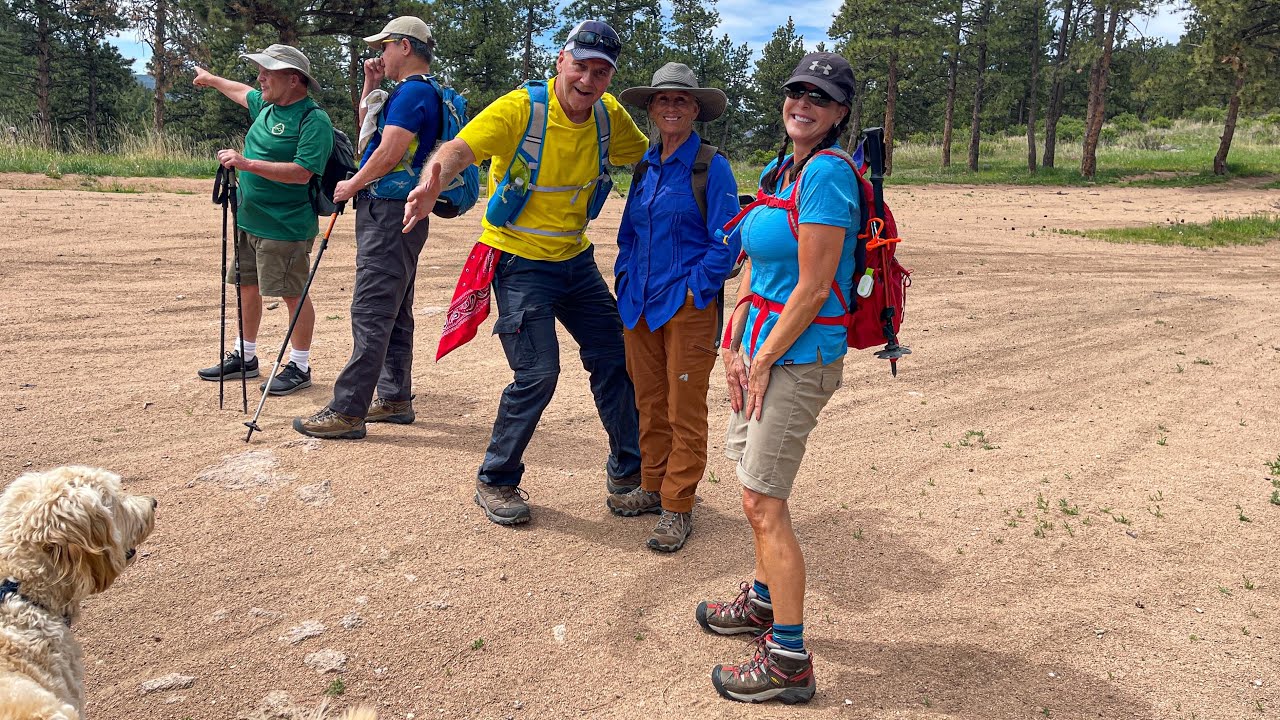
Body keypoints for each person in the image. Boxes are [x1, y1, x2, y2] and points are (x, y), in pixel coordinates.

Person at [401, 20, 649, 526]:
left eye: (601, 72)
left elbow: (651, 156)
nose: (588, 80)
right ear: (561, 60)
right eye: (580, 66)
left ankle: (629, 473)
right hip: (518, 260)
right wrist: (432, 183)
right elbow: (458, 150)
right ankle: (495, 478)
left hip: (575, 259)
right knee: (537, 372)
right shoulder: (522, 109)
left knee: (615, 358)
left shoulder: (609, 117)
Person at [695, 52, 860, 704]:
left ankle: (789, 661)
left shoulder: (827, 175)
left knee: (765, 501)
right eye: (797, 91)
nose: (803, 103)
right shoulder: (779, 170)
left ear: (839, 112)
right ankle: (763, 604)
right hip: (762, 351)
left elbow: (814, 287)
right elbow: (759, 269)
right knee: (752, 490)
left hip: (797, 359)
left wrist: (761, 360)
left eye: (820, 97)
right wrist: (734, 340)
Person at [609, 63, 739, 552]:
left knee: (684, 407)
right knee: (648, 401)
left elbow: (728, 237)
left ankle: (678, 504)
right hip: (639, 305)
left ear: (695, 110)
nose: (670, 107)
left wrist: (695, 288)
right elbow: (629, 233)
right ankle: (652, 483)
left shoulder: (710, 165)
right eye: (662, 99)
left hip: (687, 306)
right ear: (650, 108)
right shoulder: (645, 165)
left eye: (680, 100)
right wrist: (624, 277)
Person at [293, 17, 441, 439]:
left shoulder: (413, 92)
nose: (380, 54)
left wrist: (352, 184)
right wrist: (370, 85)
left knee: (372, 309)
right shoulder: (415, 91)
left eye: (385, 46)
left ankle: (348, 410)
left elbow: (389, 152)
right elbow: (370, 137)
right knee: (395, 310)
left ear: (405, 47)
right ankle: (394, 398)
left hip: (389, 212)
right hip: (402, 212)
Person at [193, 44, 333, 396]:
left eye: (268, 72)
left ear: (294, 79)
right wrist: (211, 79)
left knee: (292, 293)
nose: (260, 78)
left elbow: (302, 172)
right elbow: (242, 92)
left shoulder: (313, 120)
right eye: (261, 71)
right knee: (246, 286)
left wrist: (246, 164)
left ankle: (300, 366)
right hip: (249, 219)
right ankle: (245, 356)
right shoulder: (267, 105)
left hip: (285, 225)